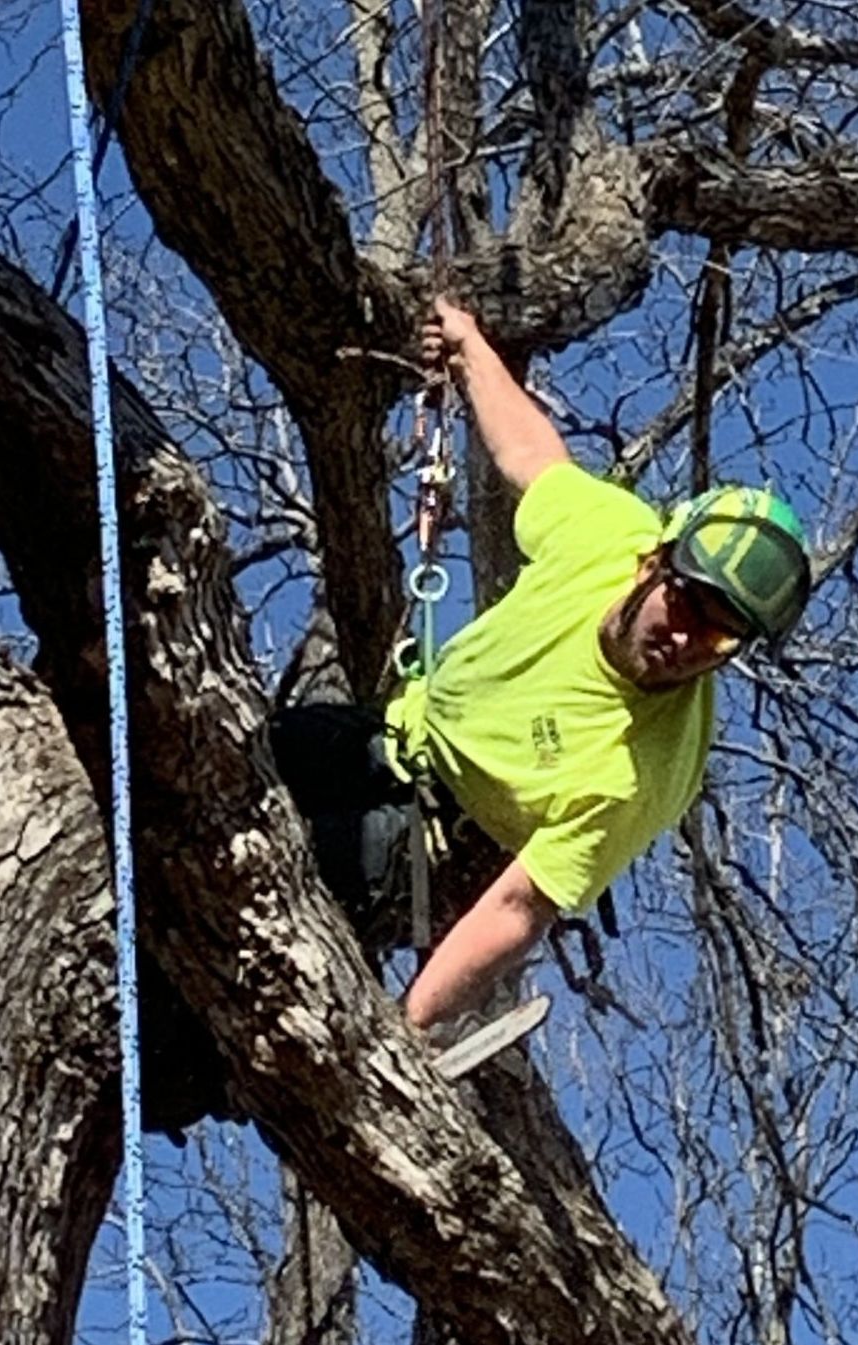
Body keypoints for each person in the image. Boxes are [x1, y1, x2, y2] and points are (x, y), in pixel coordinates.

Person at [270, 297, 811, 1033]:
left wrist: (405, 1025)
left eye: (718, 640)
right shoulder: (608, 531)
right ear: (653, 562)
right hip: (396, 737)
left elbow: (519, 905)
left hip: (443, 852)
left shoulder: (643, 770)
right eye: (687, 606)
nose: (686, 642)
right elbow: (531, 456)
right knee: (242, 760)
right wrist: (469, 350)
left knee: (276, 877)